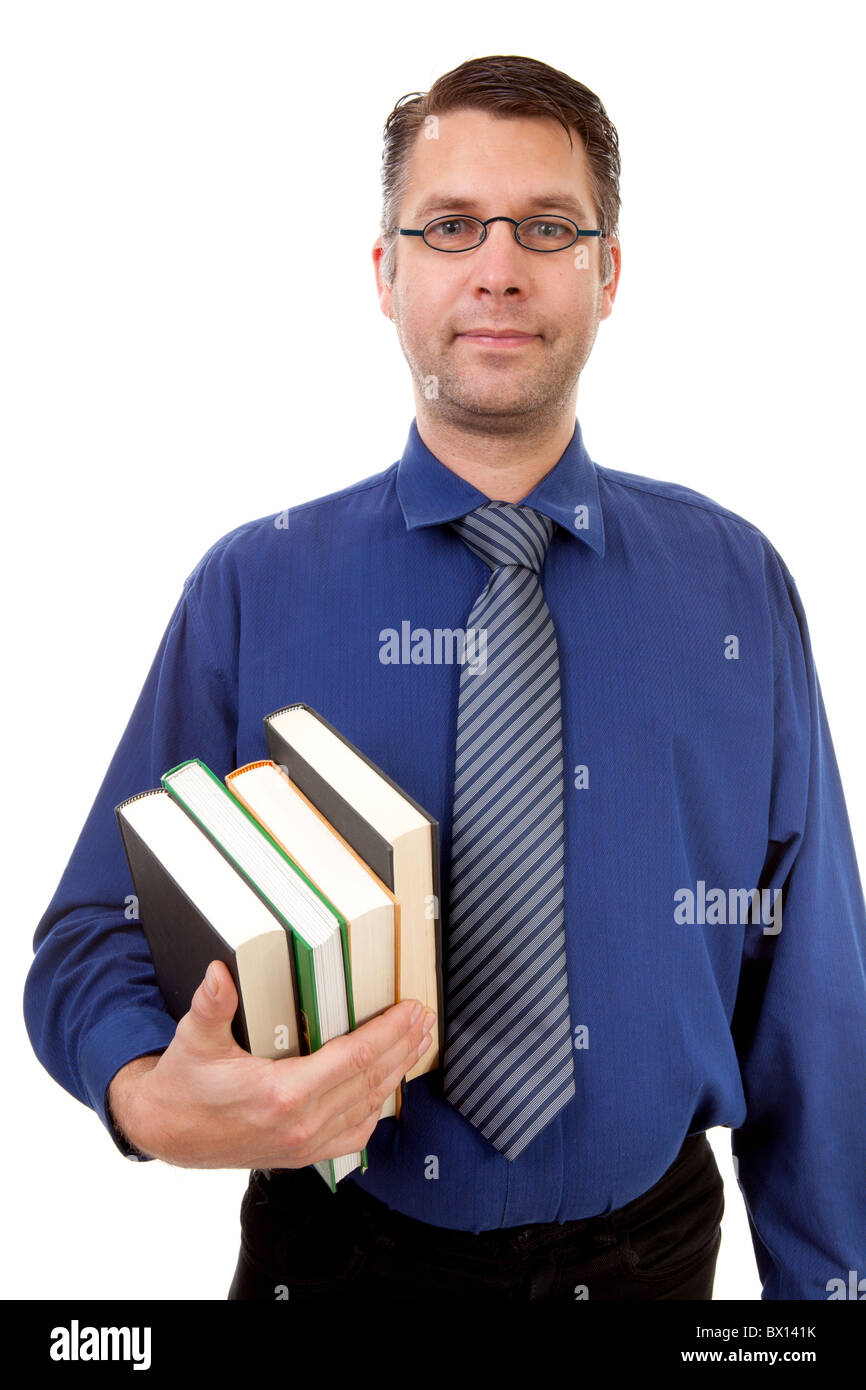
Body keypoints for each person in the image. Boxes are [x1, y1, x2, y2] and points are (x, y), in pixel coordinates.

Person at [24, 53, 866, 1303]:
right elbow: (90, 933)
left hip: (647, 1265)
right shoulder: (252, 586)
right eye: (451, 226)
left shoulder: (736, 584)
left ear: (607, 272)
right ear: (386, 273)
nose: (498, 268)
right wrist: (149, 1099)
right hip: (335, 1260)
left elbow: (813, 993)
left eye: (547, 227)